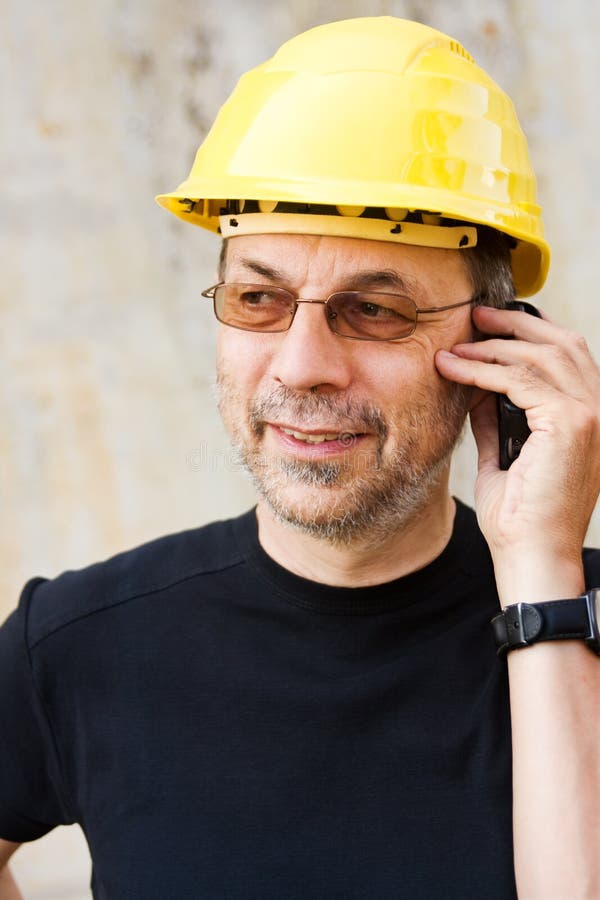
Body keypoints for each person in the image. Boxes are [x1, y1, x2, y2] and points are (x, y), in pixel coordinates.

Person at [1, 16, 599, 900]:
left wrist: (545, 579)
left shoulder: (576, 620)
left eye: (375, 310)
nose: (301, 366)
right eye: (258, 298)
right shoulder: (80, 642)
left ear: (498, 350)